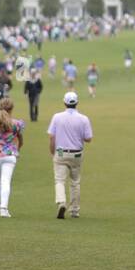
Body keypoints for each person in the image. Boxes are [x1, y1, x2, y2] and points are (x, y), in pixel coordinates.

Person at [48, 91, 93, 219]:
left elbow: (51, 136)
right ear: (77, 103)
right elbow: (88, 138)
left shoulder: (57, 117)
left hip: (61, 152)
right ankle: (74, 210)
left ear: (64, 102)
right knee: (75, 182)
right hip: (77, 154)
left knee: (59, 180)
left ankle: (61, 202)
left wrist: (52, 150)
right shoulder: (84, 119)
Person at [0, 96, 24, 218]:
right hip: (10, 155)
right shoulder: (16, 124)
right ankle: (4, 208)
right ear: (11, 109)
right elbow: (20, 140)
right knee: (6, 181)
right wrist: (17, 150)